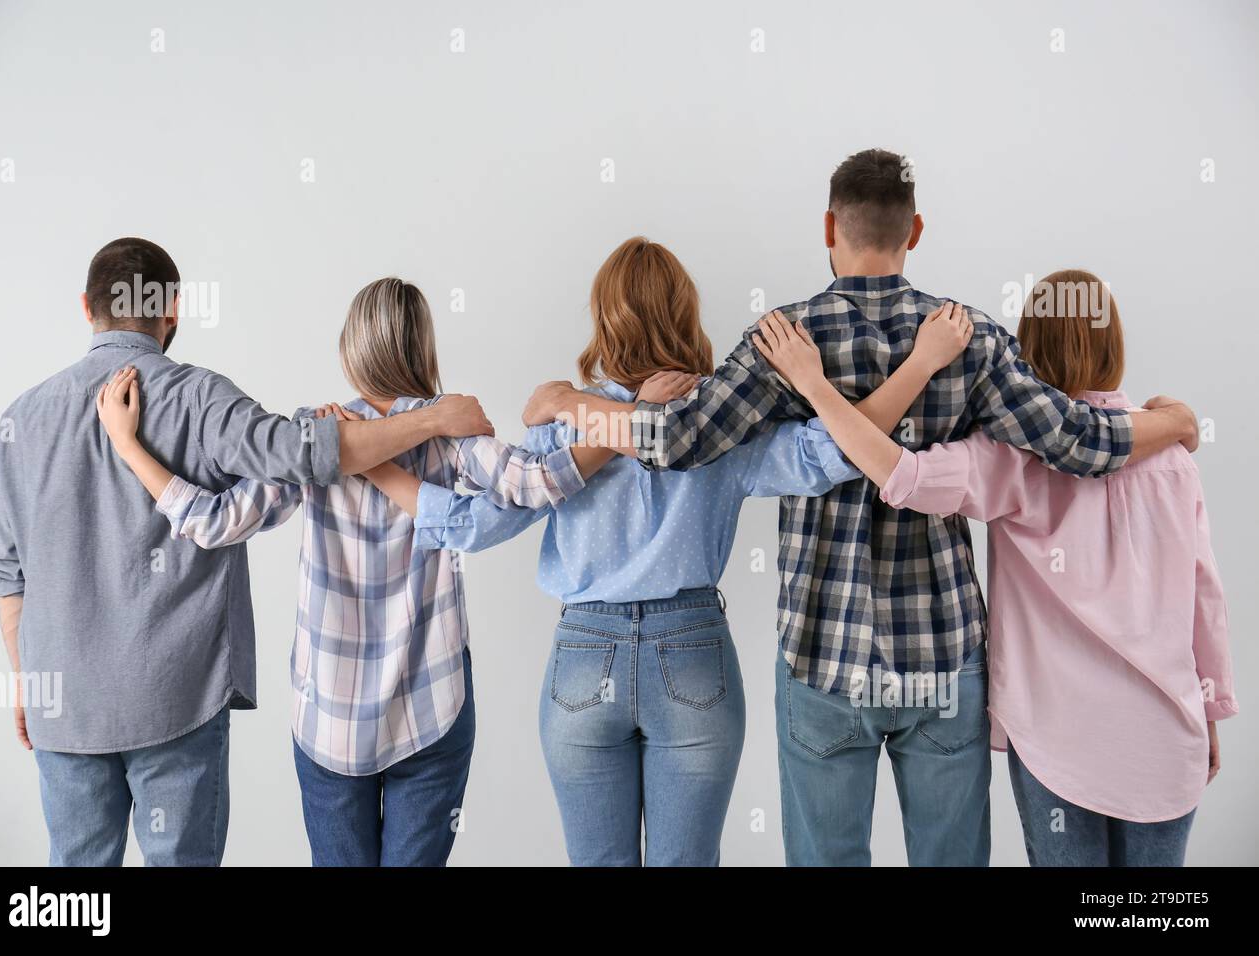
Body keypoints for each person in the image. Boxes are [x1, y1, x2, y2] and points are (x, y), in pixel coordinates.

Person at [520, 151, 1201, 866]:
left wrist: (577, 405)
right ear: (916, 230)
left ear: (827, 227)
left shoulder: (783, 342)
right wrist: (1174, 425)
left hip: (821, 654)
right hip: (941, 655)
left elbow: (675, 440)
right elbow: (1076, 441)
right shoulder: (969, 337)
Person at [363, 237, 975, 866]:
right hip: (694, 656)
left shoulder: (562, 424)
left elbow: (475, 526)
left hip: (583, 659)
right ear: (686, 316)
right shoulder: (724, 423)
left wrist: (367, 463)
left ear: (604, 320)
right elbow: (837, 452)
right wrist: (911, 368)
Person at [94, 275, 685, 866]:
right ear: (422, 346)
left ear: (352, 348)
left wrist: (129, 446)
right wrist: (632, 415)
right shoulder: (451, 431)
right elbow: (538, 482)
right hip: (432, 707)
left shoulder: (315, 438)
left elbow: (212, 522)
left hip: (328, 717)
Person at [0, 239, 490, 867]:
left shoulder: (21, 419)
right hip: (177, 696)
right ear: (171, 309)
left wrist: (26, 678)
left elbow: (7, 570)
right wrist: (433, 420)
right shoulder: (199, 398)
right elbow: (306, 454)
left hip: (66, 705)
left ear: (87, 308)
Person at [750, 273, 1235, 867]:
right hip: (1165, 735)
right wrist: (1209, 709)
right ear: (1115, 348)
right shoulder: (1174, 461)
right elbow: (1204, 596)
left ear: (1030, 351)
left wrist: (815, 386)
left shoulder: (1009, 460)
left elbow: (897, 474)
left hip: (1058, 742)